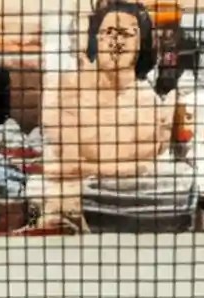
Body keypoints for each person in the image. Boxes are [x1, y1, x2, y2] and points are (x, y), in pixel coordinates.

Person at [36, 0, 175, 231]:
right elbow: (67, 165)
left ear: (142, 44)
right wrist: (131, 166)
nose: (116, 41)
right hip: (73, 206)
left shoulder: (148, 101)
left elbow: (148, 165)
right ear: (96, 39)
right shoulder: (64, 90)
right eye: (109, 32)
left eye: (126, 34)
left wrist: (91, 166)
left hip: (135, 208)